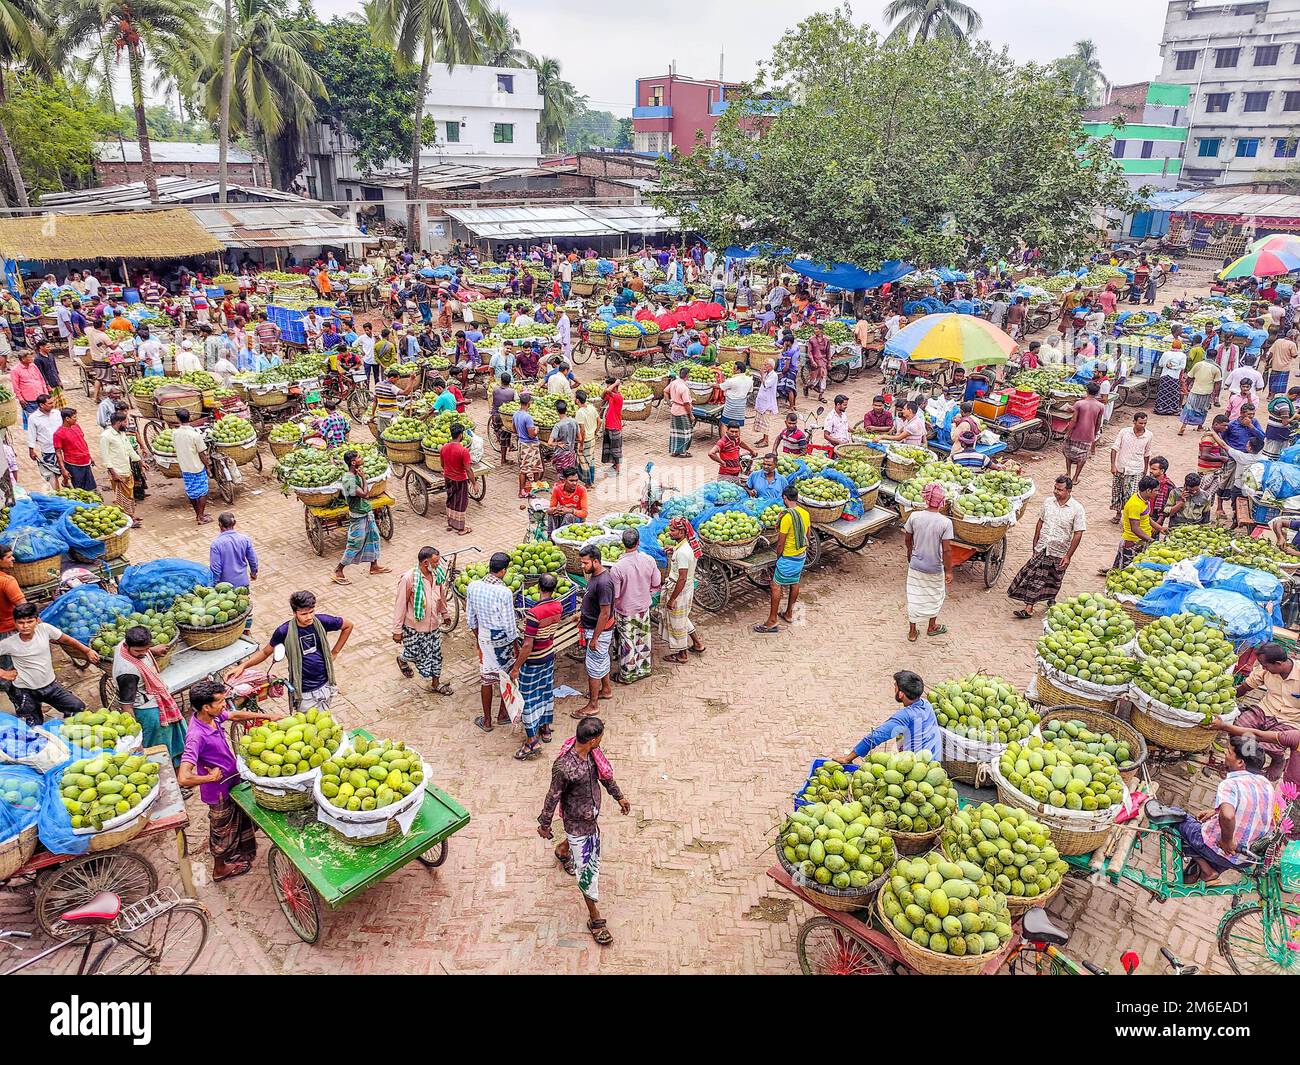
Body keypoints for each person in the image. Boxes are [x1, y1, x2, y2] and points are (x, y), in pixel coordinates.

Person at [537, 715, 630, 946]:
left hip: (591, 817)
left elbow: (605, 778)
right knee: (587, 872)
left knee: (581, 853)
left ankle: (562, 849)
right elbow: (552, 796)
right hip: (577, 824)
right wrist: (544, 824)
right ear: (593, 740)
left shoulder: (592, 755)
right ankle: (595, 918)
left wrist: (619, 796)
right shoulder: (564, 766)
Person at [177, 680, 283, 881]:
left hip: (232, 781)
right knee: (221, 833)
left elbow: (234, 715)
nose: (225, 704)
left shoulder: (210, 717)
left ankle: (240, 853)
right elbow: (183, 777)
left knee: (241, 819)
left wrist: (268, 716)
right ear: (206, 707)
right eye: (220, 702)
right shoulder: (196, 735)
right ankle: (219, 870)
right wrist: (210, 777)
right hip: (218, 792)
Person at [1174, 733, 1273, 884]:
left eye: (1229, 752)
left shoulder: (1230, 784)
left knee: (1175, 817)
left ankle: (1207, 869)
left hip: (1224, 850)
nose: (1225, 754)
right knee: (1203, 830)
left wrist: (1227, 841)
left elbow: (1227, 816)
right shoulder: (1266, 784)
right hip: (1246, 858)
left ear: (1240, 762)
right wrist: (1215, 812)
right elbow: (1250, 810)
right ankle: (1201, 872)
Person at [232, 591, 351, 711]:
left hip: (326, 682)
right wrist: (243, 666)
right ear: (294, 613)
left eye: (311, 612)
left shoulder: (322, 621)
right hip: (304, 689)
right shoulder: (284, 631)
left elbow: (348, 625)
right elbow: (265, 652)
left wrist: (335, 652)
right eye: (304, 614)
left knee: (324, 718)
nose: (309, 617)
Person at [0, 604, 96, 725]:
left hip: (50, 686)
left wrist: (87, 651)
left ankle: (66, 731)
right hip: (25, 690)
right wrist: (4, 673)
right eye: (20, 622)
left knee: (77, 707)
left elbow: (67, 640)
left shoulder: (45, 629)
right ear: (14, 623)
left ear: (37, 620)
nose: (25, 626)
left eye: (30, 621)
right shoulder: (9, 643)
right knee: (33, 725)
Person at [1008, 475, 1085, 619]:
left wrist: (1068, 556)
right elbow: (1040, 522)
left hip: (1060, 551)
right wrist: (1035, 542)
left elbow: (1078, 533)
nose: (1056, 492)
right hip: (1043, 547)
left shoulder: (1077, 509)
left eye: (1060, 489)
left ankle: (1050, 597)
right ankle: (1028, 608)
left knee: (1055, 578)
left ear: (1069, 491)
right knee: (1035, 577)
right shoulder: (1048, 503)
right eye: (1055, 488)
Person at [112, 624, 187, 766]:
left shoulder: (124, 644)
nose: (143, 653)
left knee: (175, 736)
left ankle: (178, 766)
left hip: (158, 698)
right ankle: (163, 771)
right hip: (147, 709)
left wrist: (153, 650)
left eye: (146, 648)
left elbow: (143, 649)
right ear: (127, 646)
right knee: (159, 743)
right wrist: (136, 731)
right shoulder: (128, 672)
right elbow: (127, 705)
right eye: (139, 651)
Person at [834, 671, 940, 762]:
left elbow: (875, 737)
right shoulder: (926, 705)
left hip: (918, 767)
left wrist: (848, 758)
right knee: (901, 735)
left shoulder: (906, 716)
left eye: (895, 687)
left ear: (901, 694)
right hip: (934, 761)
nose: (894, 689)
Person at [467, 551, 518, 734]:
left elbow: (471, 619)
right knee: (506, 676)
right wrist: (515, 646)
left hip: (485, 637)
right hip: (502, 639)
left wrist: (479, 639)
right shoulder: (504, 592)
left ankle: (487, 721)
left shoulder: (473, 586)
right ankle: (503, 714)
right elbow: (510, 625)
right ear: (503, 571)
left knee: (486, 678)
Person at [392, 545, 453, 695]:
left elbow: (441, 597)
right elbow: (400, 605)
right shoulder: (409, 579)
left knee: (435, 655)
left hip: (433, 626)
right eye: (435, 562)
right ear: (425, 563)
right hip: (414, 627)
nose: (438, 565)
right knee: (414, 653)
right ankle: (403, 658)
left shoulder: (437, 575)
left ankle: (435, 683)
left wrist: (445, 614)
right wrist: (397, 630)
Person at [755, 483, 810, 634]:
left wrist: (778, 558)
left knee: (775, 585)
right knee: (795, 581)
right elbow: (808, 535)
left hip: (789, 556)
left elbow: (781, 543)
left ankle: (772, 621)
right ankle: (789, 613)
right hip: (801, 554)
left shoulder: (786, 518)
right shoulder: (805, 513)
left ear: (785, 498)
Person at [903, 482, 954, 642]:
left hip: (916, 565)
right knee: (935, 595)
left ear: (926, 499)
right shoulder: (945, 522)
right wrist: (949, 571)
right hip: (935, 567)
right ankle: (932, 626)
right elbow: (946, 550)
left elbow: (907, 538)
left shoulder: (914, 516)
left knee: (914, 596)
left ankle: (912, 632)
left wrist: (910, 553)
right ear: (941, 502)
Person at [609, 528, 661, 685]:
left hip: (625, 611)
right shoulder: (649, 560)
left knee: (627, 642)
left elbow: (616, 595)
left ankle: (628, 674)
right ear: (638, 543)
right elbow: (657, 582)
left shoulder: (617, 567)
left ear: (623, 544)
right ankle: (644, 669)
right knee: (642, 637)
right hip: (643, 607)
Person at [333, 449, 391, 585]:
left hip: (366, 512)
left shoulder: (355, 473)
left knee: (374, 537)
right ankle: (338, 570)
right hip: (358, 516)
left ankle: (374, 566)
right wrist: (364, 478)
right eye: (359, 457)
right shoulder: (348, 480)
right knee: (355, 543)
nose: (361, 458)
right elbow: (365, 494)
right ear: (353, 462)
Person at [576, 543, 616, 715]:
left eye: (585, 563)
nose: (582, 566)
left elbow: (605, 612)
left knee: (593, 668)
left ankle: (593, 705)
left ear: (596, 562)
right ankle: (606, 689)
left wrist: (595, 638)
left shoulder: (604, 583)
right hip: (595, 627)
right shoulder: (595, 576)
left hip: (599, 631)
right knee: (602, 660)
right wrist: (582, 615)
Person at [659, 517, 706, 664]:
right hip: (686, 588)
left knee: (676, 622)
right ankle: (698, 644)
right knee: (682, 617)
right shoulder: (687, 545)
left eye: (673, 530)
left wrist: (672, 599)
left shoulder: (683, 553)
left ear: (682, 531)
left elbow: (682, 578)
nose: (670, 533)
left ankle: (682, 654)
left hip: (679, 590)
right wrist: (673, 549)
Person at [1109, 411, 1151, 524]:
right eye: (1140, 423)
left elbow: (1147, 454)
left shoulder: (1148, 435)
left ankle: (1128, 520)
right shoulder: (1124, 432)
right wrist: (1113, 465)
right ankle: (1118, 514)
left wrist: (1145, 470)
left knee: (1131, 496)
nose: (1142, 426)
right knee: (1117, 492)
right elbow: (1114, 449)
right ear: (1134, 422)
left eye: (1144, 423)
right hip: (1121, 467)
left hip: (1136, 469)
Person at [1112, 473, 1160, 570]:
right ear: (1148, 490)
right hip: (1132, 542)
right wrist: (1151, 540)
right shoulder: (1135, 505)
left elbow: (1146, 517)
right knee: (1126, 571)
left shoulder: (1144, 500)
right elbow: (1135, 528)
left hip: (1141, 541)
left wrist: (1159, 528)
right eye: (1156, 490)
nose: (1157, 493)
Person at [99, 411, 141, 524]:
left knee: (129, 495)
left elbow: (129, 449)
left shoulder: (122, 433)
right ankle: (127, 519)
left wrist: (139, 460)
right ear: (118, 422)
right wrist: (113, 473)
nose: (127, 424)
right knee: (122, 497)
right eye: (125, 422)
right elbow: (105, 457)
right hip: (117, 471)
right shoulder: (106, 436)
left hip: (127, 469)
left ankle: (131, 515)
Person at [1062, 381, 1105, 484]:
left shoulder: (1079, 403)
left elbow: (1074, 420)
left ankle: (1068, 473)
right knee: (1083, 456)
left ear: (1087, 391)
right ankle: (1075, 477)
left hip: (1075, 431)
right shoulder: (1100, 406)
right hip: (1089, 433)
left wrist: (1068, 431)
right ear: (1097, 393)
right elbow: (1098, 422)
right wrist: (1095, 433)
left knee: (1068, 451)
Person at [209, 511, 258, 596]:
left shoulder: (216, 544)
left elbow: (216, 568)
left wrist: (214, 584)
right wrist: (254, 572)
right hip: (242, 583)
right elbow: (252, 559)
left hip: (225, 587)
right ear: (234, 523)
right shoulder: (245, 539)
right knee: (243, 604)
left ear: (220, 525)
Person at [1179, 350, 1223, 435]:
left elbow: (1189, 377)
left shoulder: (1198, 364)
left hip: (1195, 390)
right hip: (1207, 392)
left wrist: (1186, 387)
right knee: (1203, 410)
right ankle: (1199, 426)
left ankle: (1183, 427)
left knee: (1189, 408)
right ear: (1215, 357)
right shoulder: (1217, 368)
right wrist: (1216, 396)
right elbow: (1218, 383)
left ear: (1206, 355)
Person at [52, 406, 95, 492]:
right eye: (74, 417)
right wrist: (63, 469)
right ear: (67, 418)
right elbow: (58, 452)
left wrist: (89, 456)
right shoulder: (58, 434)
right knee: (79, 489)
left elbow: (83, 442)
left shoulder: (76, 426)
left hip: (86, 462)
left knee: (91, 487)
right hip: (74, 464)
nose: (76, 419)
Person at [25, 393, 62, 490]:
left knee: (65, 470)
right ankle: (57, 492)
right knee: (51, 473)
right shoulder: (33, 418)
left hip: (62, 448)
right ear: (41, 405)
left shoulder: (57, 413)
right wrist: (31, 449)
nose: (52, 404)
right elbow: (31, 434)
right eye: (49, 403)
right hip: (48, 450)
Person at [514, 392, 543, 498]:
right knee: (524, 469)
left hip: (522, 442)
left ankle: (535, 487)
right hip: (529, 445)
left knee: (535, 467)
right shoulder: (528, 417)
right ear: (529, 403)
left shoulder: (516, 414)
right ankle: (521, 491)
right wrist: (536, 430)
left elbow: (514, 429)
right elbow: (532, 435)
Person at [546, 469, 588, 535]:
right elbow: (551, 507)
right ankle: (551, 535)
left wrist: (570, 510)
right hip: (562, 515)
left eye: (576, 480)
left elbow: (584, 513)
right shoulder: (557, 489)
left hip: (577, 518)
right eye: (571, 481)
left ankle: (563, 536)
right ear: (564, 480)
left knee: (569, 516)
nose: (574, 483)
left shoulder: (582, 490)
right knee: (552, 513)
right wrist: (555, 509)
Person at [665, 365, 694, 457]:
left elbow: (665, 391)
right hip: (682, 412)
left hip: (674, 410)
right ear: (687, 376)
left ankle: (675, 451)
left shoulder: (674, 382)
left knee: (676, 432)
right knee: (686, 432)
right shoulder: (684, 388)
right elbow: (686, 403)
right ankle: (682, 452)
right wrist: (691, 415)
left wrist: (669, 402)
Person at [599, 377, 624, 475]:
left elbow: (607, 390)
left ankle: (618, 468)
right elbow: (602, 395)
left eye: (608, 385)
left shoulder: (618, 397)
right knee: (609, 447)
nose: (607, 387)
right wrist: (613, 385)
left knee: (616, 448)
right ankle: (614, 464)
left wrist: (615, 384)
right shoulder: (611, 396)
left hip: (615, 426)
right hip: (608, 425)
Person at [804, 322, 830, 402]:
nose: (815, 330)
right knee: (814, 380)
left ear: (821, 330)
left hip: (823, 361)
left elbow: (828, 352)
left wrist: (829, 362)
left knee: (823, 377)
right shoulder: (811, 340)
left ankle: (821, 396)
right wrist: (812, 361)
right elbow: (809, 352)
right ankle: (807, 386)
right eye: (815, 329)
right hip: (815, 362)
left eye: (816, 329)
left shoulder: (826, 340)